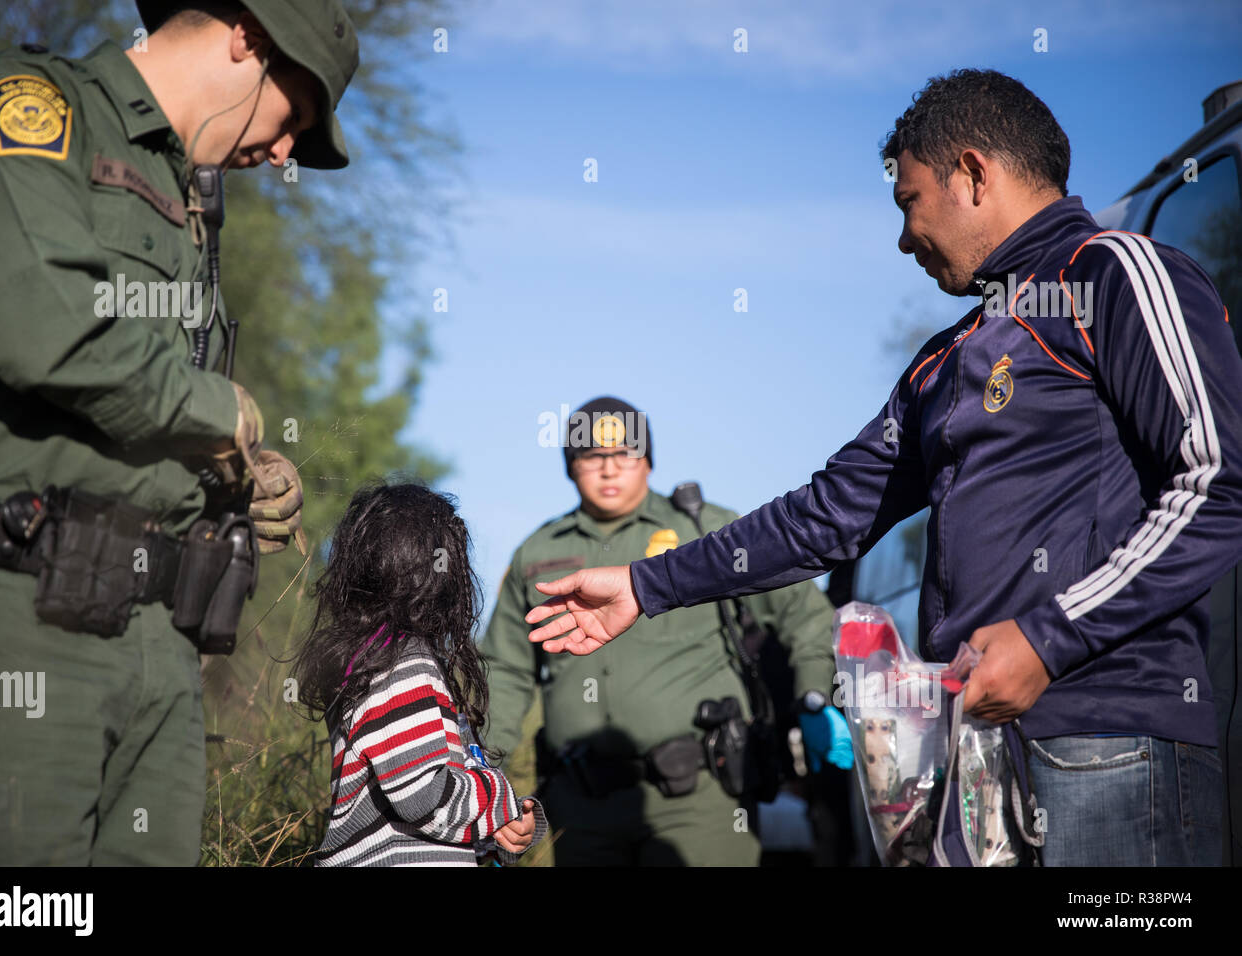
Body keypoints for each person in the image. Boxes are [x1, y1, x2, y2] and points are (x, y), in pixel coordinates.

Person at [525, 70, 1242, 867]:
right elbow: (826, 515)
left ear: (973, 173)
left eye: (908, 201)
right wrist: (643, 585)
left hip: (1110, 751)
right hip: (971, 771)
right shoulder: (944, 360)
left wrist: (1048, 640)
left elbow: (1219, 483)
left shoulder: (1114, 273)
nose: (904, 237)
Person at [0, 0, 357, 864]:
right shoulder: (32, 105)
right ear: (248, 36)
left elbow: (151, 406)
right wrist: (217, 417)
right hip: (28, 616)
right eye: (296, 116)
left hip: (163, 649)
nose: (285, 154)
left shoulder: (194, 208)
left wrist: (244, 477)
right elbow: (35, 315)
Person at [480, 396, 844, 866]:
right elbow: (504, 671)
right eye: (592, 456)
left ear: (648, 462)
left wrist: (814, 695)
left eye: (624, 454)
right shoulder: (537, 552)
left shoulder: (706, 529)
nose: (609, 470)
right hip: (581, 805)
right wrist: (488, 777)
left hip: (702, 802)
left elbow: (805, 613)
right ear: (571, 467)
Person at [294, 481, 546, 867]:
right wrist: (500, 799)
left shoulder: (383, 660)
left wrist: (499, 834)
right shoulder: (400, 665)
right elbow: (425, 797)